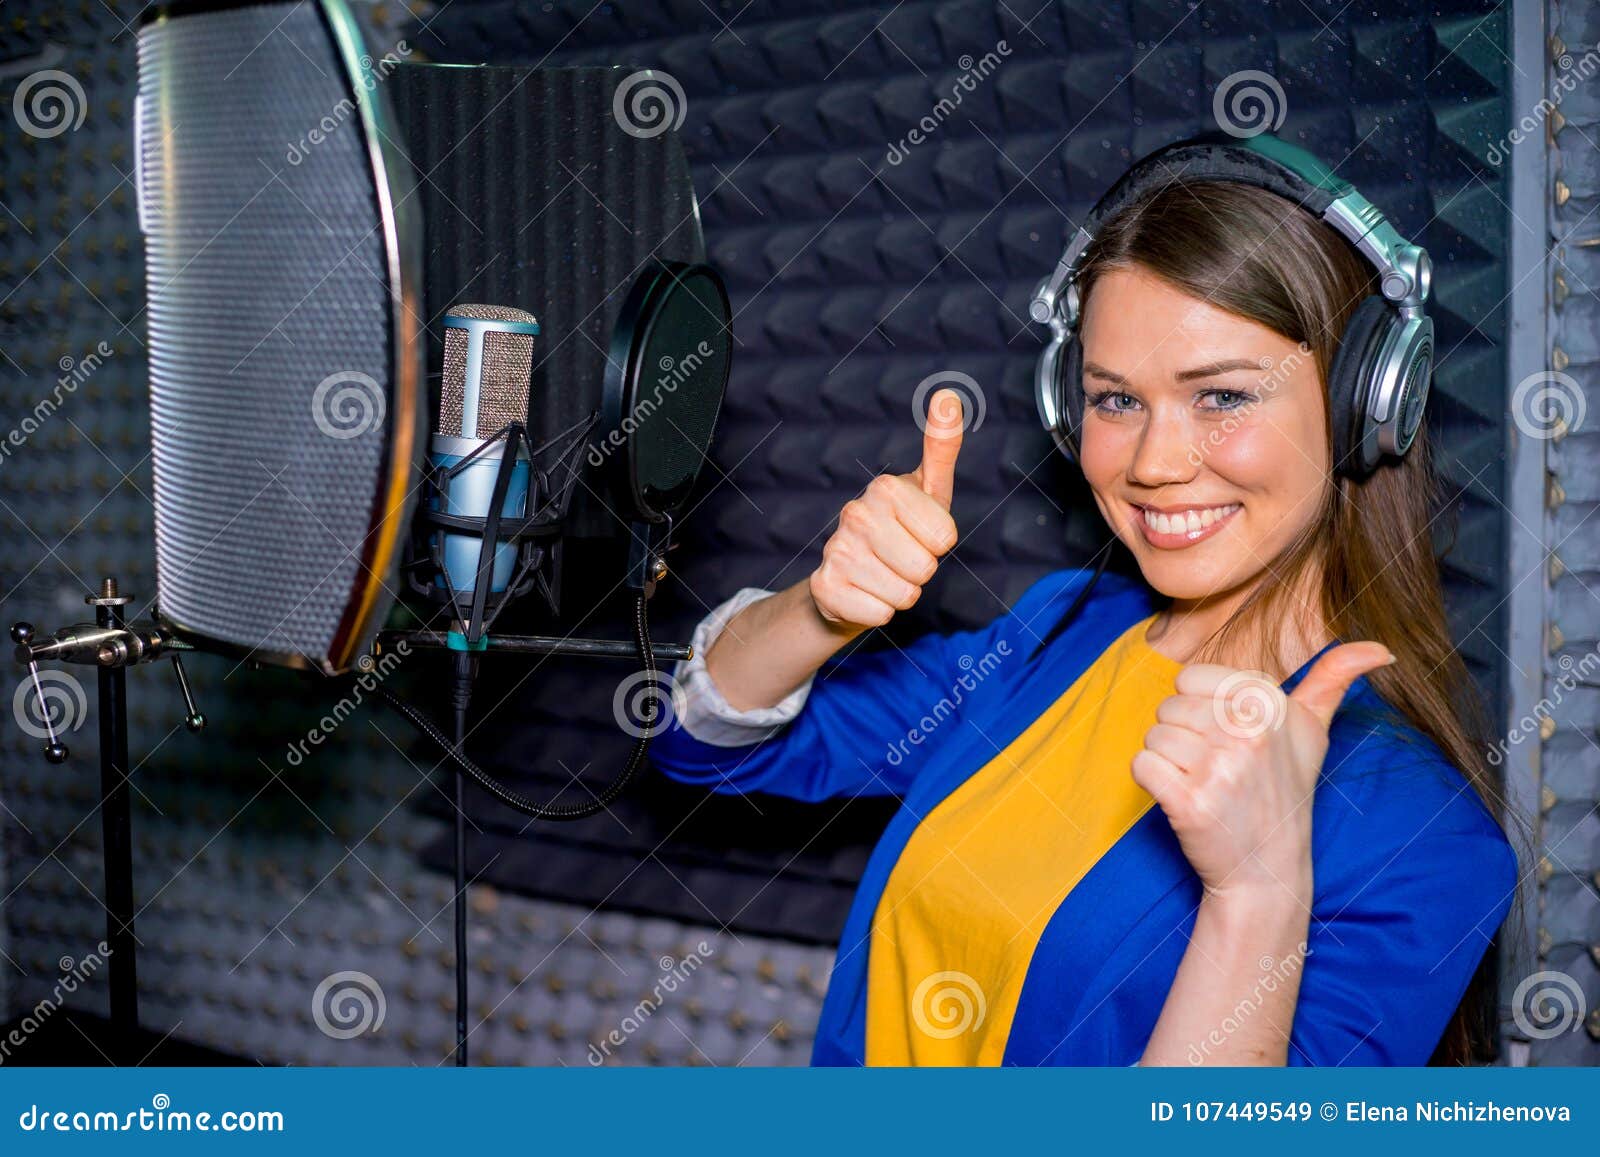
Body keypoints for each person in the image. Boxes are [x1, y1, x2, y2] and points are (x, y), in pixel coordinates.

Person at [646, 139, 1521, 1067]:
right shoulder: (1061, 628)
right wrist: (820, 612)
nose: (1150, 463)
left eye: (1221, 394)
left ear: (1365, 403)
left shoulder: (1425, 842)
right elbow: (698, 744)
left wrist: (1257, 897)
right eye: (1115, 401)